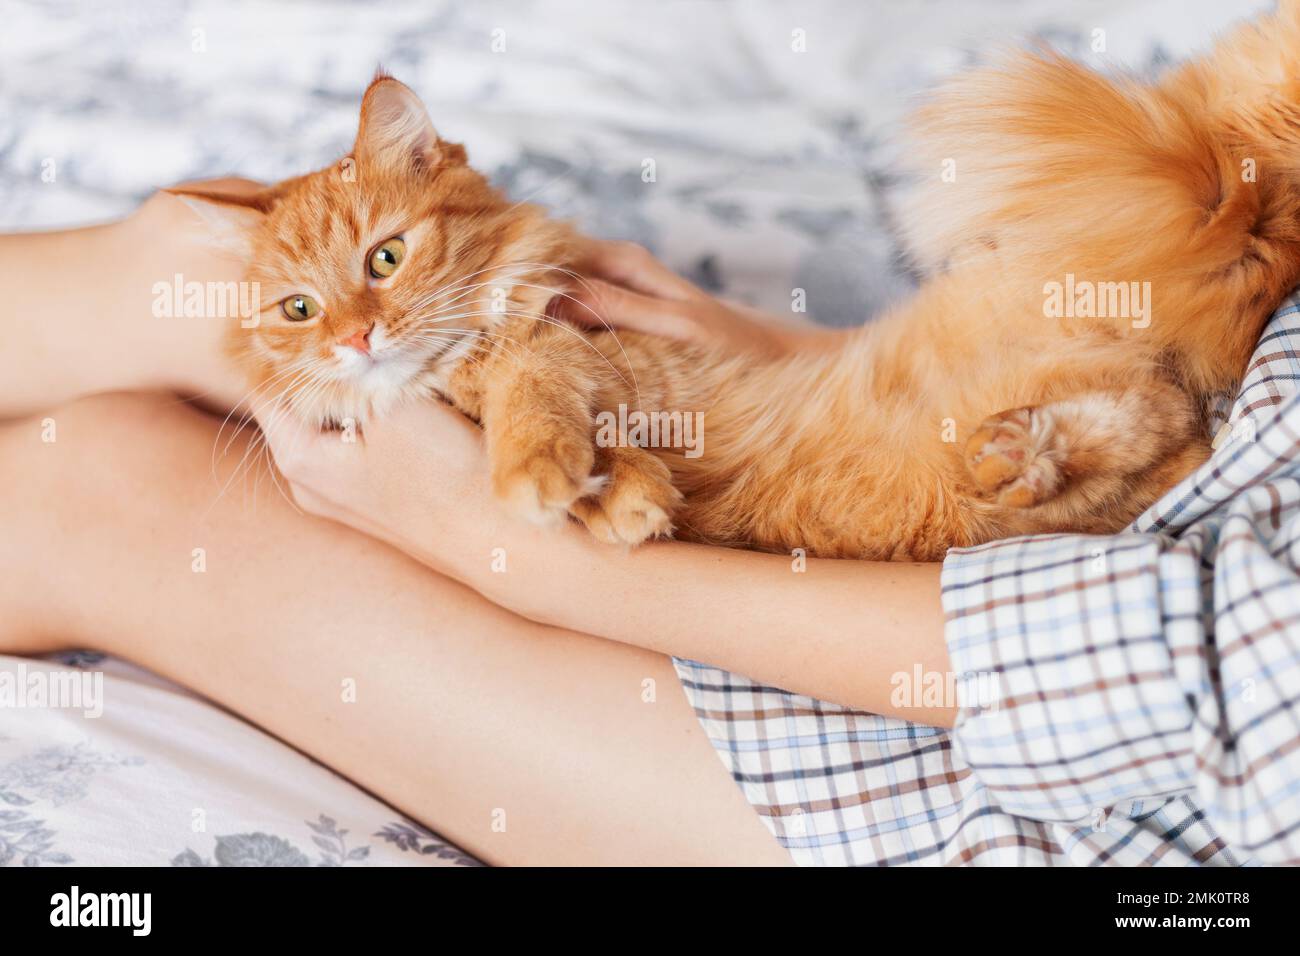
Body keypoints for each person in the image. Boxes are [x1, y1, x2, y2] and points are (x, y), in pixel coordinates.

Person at [1, 185, 1297, 866]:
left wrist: (525, 564)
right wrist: (816, 370)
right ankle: (149, 274)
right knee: (233, 292)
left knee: (103, 487)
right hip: (1094, 514)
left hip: (1069, 795)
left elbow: (1194, 673)